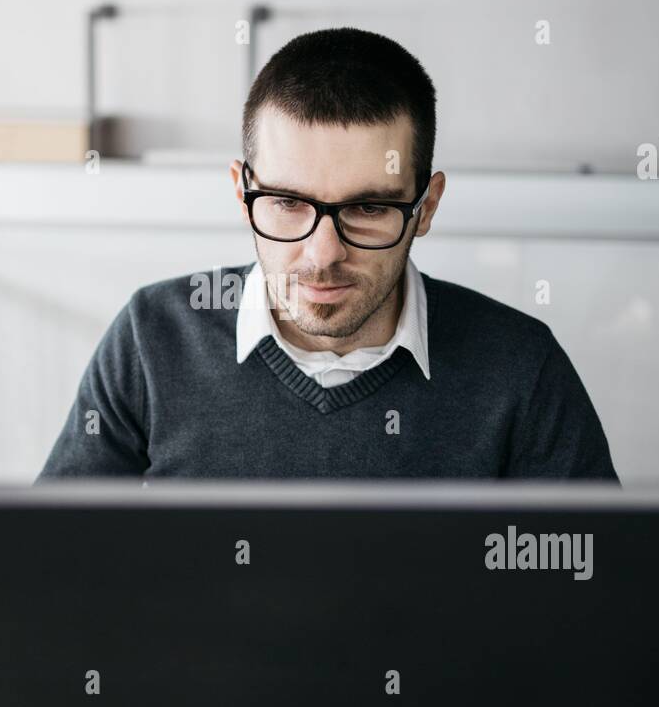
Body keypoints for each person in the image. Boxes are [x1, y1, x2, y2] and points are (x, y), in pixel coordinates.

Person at [39, 27, 617, 481]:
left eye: (367, 208)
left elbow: (596, 596)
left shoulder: (521, 367)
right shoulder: (151, 340)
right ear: (243, 196)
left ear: (427, 206)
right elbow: (48, 569)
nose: (323, 254)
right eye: (288, 202)